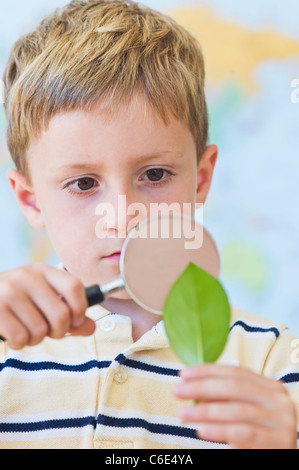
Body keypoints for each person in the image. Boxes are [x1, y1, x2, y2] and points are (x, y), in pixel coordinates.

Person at [0, 0, 298, 449]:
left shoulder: (272, 362)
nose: (123, 214)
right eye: (83, 183)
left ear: (200, 180)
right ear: (30, 199)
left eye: (154, 175)